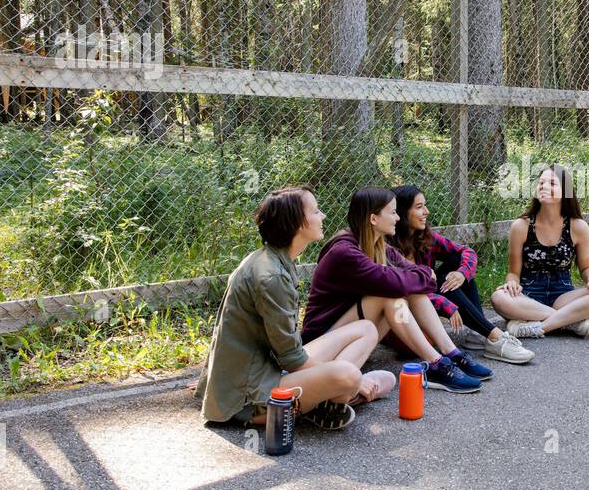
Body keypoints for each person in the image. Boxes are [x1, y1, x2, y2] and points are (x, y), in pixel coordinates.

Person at [195, 186, 395, 432]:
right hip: (248, 396)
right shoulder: (270, 276)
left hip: (270, 368)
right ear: (298, 223)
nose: (323, 217)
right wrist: (346, 381)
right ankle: (329, 398)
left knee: (366, 329)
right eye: (316, 211)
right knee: (349, 376)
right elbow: (291, 358)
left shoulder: (272, 258)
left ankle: (328, 399)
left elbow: (287, 351)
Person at [301, 187, 492, 393]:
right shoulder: (345, 252)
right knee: (392, 297)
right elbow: (395, 282)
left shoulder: (378, 245)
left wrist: (423, 276)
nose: (398, 217)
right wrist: (425, 275)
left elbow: (411, 273)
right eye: (392, 212)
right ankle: (435, 363)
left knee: (410, 289)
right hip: (322, 341)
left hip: (353, 330)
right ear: (374, 218)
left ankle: (451, 353)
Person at [390, 185, 534, 365]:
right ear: (402, 212)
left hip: (429, 317)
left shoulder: (425, 238)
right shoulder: (387, 248)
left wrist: (462, 274)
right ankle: (492, 335)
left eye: (424, 205)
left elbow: (467, 252)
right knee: (442, 282)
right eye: (419, 207)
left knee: (457, 266)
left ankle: (480, 332)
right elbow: (404, 292)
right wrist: (444, 303)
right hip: (404, 325)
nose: (426, 211)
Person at [490, 163, 589, 339]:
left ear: (565, 191)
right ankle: (570, 321)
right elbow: (513, 273)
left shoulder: (578, 226)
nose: (544, 187)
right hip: (528, 297)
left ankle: (540, 327)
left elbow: (585, 267)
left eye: (552, 183)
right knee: (499, 298)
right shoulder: (521, 226)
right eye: (541, 183)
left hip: (563, 297)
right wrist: (512, 283)